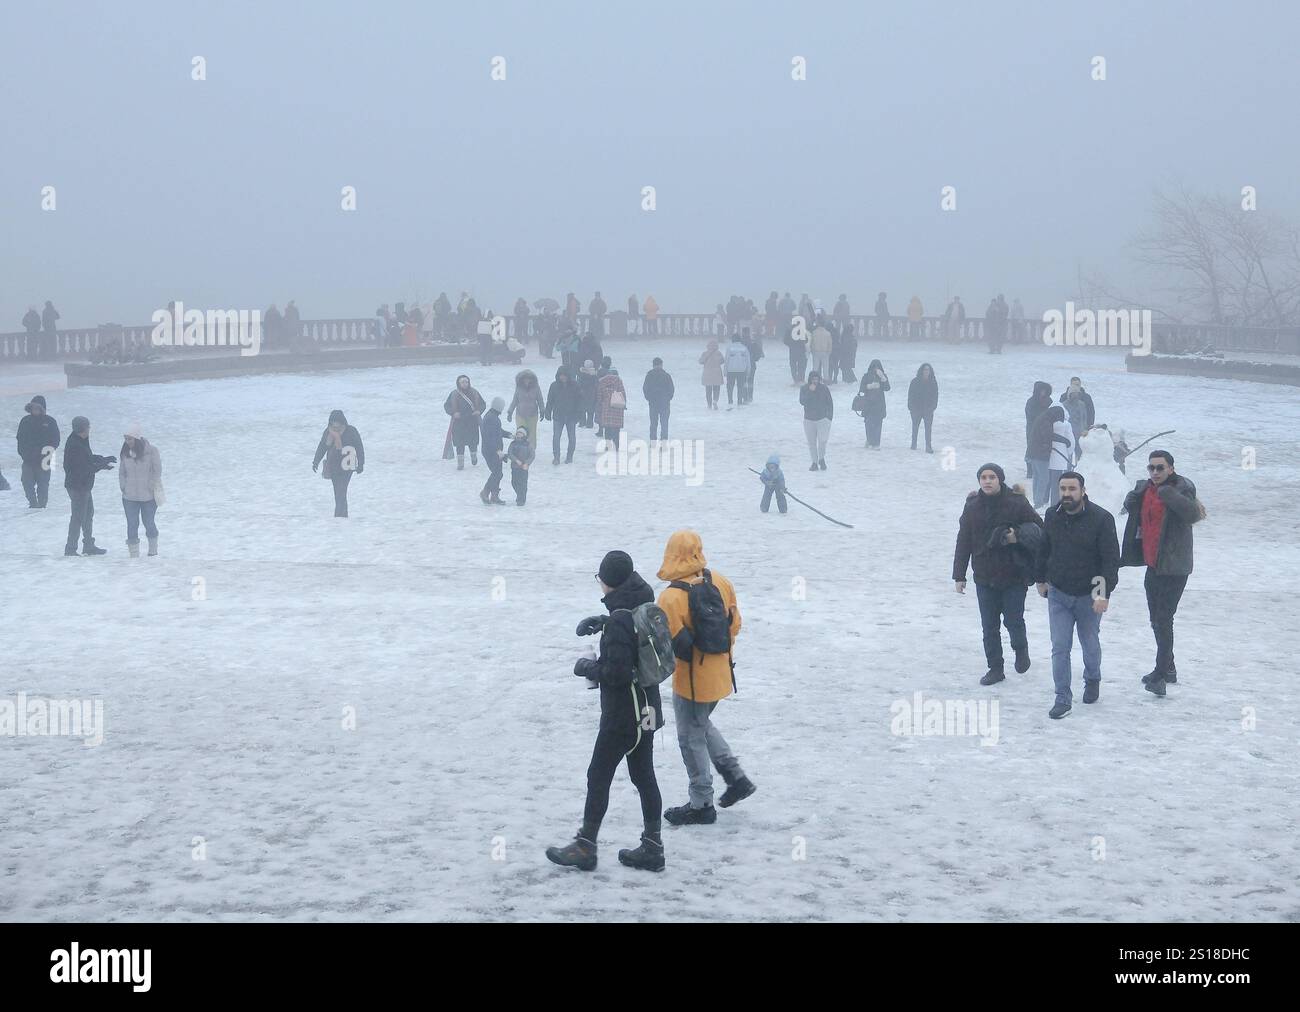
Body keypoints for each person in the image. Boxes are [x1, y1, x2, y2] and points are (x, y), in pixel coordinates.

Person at [545, 551, 667, 872]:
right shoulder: (643, 603)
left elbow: (617, 673)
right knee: (644, 776)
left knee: (598, 776)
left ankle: (585, 846)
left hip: (622, 718)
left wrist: (587, 667)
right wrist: (603, 623)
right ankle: (653, 847)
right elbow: (633, 635)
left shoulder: (619, 621)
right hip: (648, 711)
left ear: (607, 582)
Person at [655, 530, 753, 825]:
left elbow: (667, 643)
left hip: (691, 682)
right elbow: (735, 625)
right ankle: (735, 777)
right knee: (701, 724)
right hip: (721, 674)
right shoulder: (721, 581)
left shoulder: (670, 597)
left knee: (689, 738)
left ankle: (701, 804)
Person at [1034, 472, 1120, 719]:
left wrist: (1103, 594)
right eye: (1063, 489)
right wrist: (1040, 579)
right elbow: (1044, 547)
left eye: (1072, 489)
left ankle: (1093, 678)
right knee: (1060, 646)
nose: (1067, 494)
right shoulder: (1052, 515)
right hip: (1059, 592)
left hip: (1089, 594)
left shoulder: (1102, 519)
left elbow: (1110, 560)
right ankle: (1062, 697)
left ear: (1082, 491)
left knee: (1089, 642)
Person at [1120, 451, 1203, 697]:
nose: (1155, 472)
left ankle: (1160, 674)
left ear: (1171, 469)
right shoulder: (1145, 489)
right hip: (1153, 564)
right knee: (1156, 618)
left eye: (1160, 468)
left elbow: (1193, 515)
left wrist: (1168, 494)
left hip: (1174, 567)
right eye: (1151, 468)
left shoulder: (1182, 488)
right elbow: (1130, 510)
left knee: (1164, 619)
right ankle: (1169, 665)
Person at [954, 464, 1043, 685]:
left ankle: (1020, 649)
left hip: (1014, 573)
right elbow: (963, 540)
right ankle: (995, 668)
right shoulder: (972, 506)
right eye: (983, 477)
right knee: (989, 625)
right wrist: (959, 575)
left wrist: (1018, 535)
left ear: (1000, 479)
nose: (987, 481)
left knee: (1014, 620)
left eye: (992, 477)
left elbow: (1039, 529)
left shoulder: (1016, 502)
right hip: (984, 575)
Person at [62, 416, 115, 555]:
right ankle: (71, 548)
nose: (89, 429)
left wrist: (102, 459)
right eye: (88, 426)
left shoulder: (80, 439)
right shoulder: (75, 444)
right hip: (77, 485)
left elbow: (87, 458)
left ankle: (88, 545)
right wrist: (101, 466)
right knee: (78, 516)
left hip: (83, 485)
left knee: (88, 514)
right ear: (83, 428)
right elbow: (83, 467)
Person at [118, 424, 162, 557]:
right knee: (132, 524)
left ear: (137, 438)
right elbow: (122, 472)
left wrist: (151, 485)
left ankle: (153, 550)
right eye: (126, 439)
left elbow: (157, 470)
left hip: (148, 496)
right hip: (129, 497)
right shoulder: (125, 453)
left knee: (148, 522)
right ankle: (134, 554)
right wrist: (123, 486)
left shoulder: (152, 451)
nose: (127, 442)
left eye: (130, 439)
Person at [312, 409, 364, 518]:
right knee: (338, 493)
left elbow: (359, 447)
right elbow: (322, 447)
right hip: (334, 466)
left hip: (347, 466)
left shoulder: (351, 431)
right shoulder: (328, 432)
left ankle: (340, 518)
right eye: (333, 422)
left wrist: (361, 464)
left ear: (342, 422)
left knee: (341, 491)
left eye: (337, 422)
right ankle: (341, 518)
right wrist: (316, 461)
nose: (335, 425)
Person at [17, 395, 60, 508]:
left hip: (45, 458)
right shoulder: (25, 421)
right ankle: (32, 503)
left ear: (42, 409)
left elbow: (55, 440)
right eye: (33, 407)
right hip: (28, 458)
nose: (35, 409)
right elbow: (20, 439)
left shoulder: (50, 421)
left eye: (37, 407)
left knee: (43, 484)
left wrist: (47, 453)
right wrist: (24, 454)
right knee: (27, 482)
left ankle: (42, 506)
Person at [444, 375, 485, 470]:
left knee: (473, 442)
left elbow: (483, 404)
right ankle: (460, 463)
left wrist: (479, 411)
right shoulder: (454, 394)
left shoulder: (474, 392)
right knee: (459, 443)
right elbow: (447, 406)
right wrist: (453, 413)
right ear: (459, 383)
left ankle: (473, 457)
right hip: (459, 422)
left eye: (466, 382)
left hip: (472, 421)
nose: (464, 384)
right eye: (462, 382)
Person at [1024, 381, 1055, 503]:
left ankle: (1041, 499)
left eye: (1045, 390)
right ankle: (1029, 469)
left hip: (1046, 432)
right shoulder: (1031, 402)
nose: (1043, 392)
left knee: (1042, 471)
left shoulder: (1049, 401)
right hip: (1033, 430)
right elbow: (1032, 415)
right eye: (1041, 390)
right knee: (1032, 453)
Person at [544, 366, 581, 464]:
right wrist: (548, 411)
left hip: (571, 416)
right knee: (556, 437)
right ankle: (556, 457)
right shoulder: (554, 386)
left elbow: (579, 401)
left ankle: (569, 457)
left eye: (565, 375)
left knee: (572, 438)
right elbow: (550, 400)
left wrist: (578, 415)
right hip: (558, 416)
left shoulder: (575, 385)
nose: (563, 377)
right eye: (561, 375)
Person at [799, 371, 833, 471]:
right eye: (813, 379)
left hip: (822, 419)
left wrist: (829, 417)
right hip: (809, 420)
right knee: (811, 443)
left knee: (822, 441)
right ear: (810, 379)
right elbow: (802, 401)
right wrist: (810, 392)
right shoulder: (804, 388)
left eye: (817, 379)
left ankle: (821, 458)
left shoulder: (824, 389)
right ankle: (814, 462)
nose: (815, 381)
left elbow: (830, 403)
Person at [855, 359, 890, 449]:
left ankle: (876, 443)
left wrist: (883, 378)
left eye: (877, 367)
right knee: (869, 424)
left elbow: (887, 388)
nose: (876, 369)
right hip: (868, 404)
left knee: (878, 424)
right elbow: (861, 389)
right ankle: (870, 440)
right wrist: (869, 386)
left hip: (879, 404)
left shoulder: (883, 376)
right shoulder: (866, 376)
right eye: (874, 367)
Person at [1044, 406, 1076, 505]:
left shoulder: (1049, 423)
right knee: (1057, 483)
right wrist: (1070, 452)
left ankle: (1045, 501)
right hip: (1061, 459)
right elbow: (1071, 441)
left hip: (1049, 457)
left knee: (1048, 481)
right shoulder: (1067, 425)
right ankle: (1055, 503)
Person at [479, 397, 507, 504]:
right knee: (497, 473)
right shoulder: (491, 418)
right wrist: (497, 451)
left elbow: (497, 431)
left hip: (492, 450)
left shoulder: (492, 416)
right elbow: (490, 437)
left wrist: (509, 435)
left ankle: (494, 496)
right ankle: (485, 492)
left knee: (498, 473)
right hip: (491, 451)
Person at [507, 369, 544, 450]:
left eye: (529, 378)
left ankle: (531, 450)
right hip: (520, 414)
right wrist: (510, 412)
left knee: (532, 434)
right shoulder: (519, 388)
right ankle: (520, 449)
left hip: (532, 415)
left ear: (532, 379)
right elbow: (514, 400)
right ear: (522, 379)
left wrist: (542, 410)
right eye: (525, 378)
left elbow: (540, 400)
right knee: (521, 432)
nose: (527, 380)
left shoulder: (536, 388)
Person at [907, 363, 938, 453]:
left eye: (928, 370)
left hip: (928, 409)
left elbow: (935, 396)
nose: (926, 371)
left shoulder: (933, 382)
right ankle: (913, 444)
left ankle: (928, 446)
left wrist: (933, 407)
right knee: (915, 427)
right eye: (925, 369)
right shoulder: (915, 381)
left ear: (930, 371)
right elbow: (910, 395)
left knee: (928, 429)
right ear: (921, 370)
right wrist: (911, 407)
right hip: (916, 409)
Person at [642, 357, 674, 440]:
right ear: (661, 365)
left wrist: (649, 398)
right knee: (664, 424)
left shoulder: (649, 375)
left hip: (653, 403)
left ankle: (653, 443)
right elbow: (671, 389)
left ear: (653, 365)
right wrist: (668, 399)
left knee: (653, 424)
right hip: (664, 403)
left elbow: (645, 389)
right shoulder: (666, 376)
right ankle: (663, 444)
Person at [596, 367, 627, 449]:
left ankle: (608, 445)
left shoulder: (602, 381)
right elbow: (623, 393)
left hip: (606, 408)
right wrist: (624, 404)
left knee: (607, 428)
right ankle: (616, 445)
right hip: (617, 407)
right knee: (616, 428)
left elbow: (599, 395)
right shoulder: (619, 381)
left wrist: (600, 404)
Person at [507, 426, 534, 505]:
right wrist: (516, 460)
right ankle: (519, 495)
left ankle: (521, 499)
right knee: (514, 482)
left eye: (521, 433)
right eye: (518, 433)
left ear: (524, 435)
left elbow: (532, 455)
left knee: (523, 483)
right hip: (515, 467)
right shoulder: (513, 444)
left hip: (524, 468)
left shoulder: (528, 445)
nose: (519, 435)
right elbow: (510, 453)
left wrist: (527, 463)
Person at [724, 333, 751, 407]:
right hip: (741, 371)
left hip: (731, 370)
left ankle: (730, 400)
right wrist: (748, 371)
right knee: (740, 386)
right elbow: (748, 361)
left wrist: (725, 371)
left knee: (730, 386)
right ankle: (739, 401)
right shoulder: (744, 348)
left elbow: (726, 360)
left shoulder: (729, 348)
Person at [699, 339, 724, 410]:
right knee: (717, 388)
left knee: (708, 390)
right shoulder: (718, 353)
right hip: (717, 373)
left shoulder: (705, 353)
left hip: (707, 374)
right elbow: (722, 361)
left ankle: (709, 404)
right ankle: (715, 400)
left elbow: (700, 361)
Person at [742, 328, 763, 403]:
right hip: (752, 365)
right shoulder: (753, 342)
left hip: (742, 365)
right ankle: (750, 396)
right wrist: (755, 359)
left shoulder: (740, 343)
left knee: (743, 381)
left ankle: (744, 396)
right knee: (750, 381)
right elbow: (758, 353)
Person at [577, 359, 598, 428]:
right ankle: (589, 423)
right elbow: (596, 384)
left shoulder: (581, 374)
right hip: (591, 393)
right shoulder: (594, 374)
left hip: (582, 393)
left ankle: (582, 422)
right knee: (591, 410)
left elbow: (578, 384)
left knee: (582, 409)